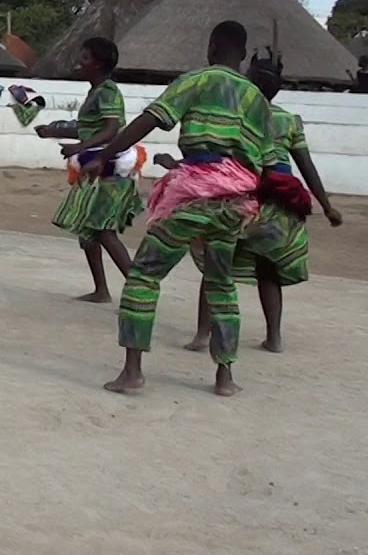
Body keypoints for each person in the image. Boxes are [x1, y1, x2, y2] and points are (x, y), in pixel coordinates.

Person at [80, 20, 275, 397]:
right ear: (244, 54)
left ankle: (132, 372)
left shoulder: (198, 80)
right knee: (221, 285)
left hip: (193, 193)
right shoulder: (256, 99)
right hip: (235, 201)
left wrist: (103, 154)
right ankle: (224, 378)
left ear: (213, 47)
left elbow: (149, 121)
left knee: (144, 277)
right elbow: (265, 162)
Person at [173, 50, 342, 354]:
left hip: (240, 196)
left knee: (217, 264)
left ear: (248, 80)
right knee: (268, 269)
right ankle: (274, 337)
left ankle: (202, 334)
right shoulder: (289, 121)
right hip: (278, 204)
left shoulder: (239, 114)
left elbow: (217, 155)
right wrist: (327, 205)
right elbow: (306, 166)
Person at [36, 37, 141, 302]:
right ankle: (102, 290)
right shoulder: (97, 92)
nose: (79, 63)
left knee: (102, 230)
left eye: (85, 58)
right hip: (96, 169)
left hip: (107, 170)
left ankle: (138, 292)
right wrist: (54, 130)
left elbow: (112, 129)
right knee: (88, 231)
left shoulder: (107, 92)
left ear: (98, 63)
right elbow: (91, 127)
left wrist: (78, 146)